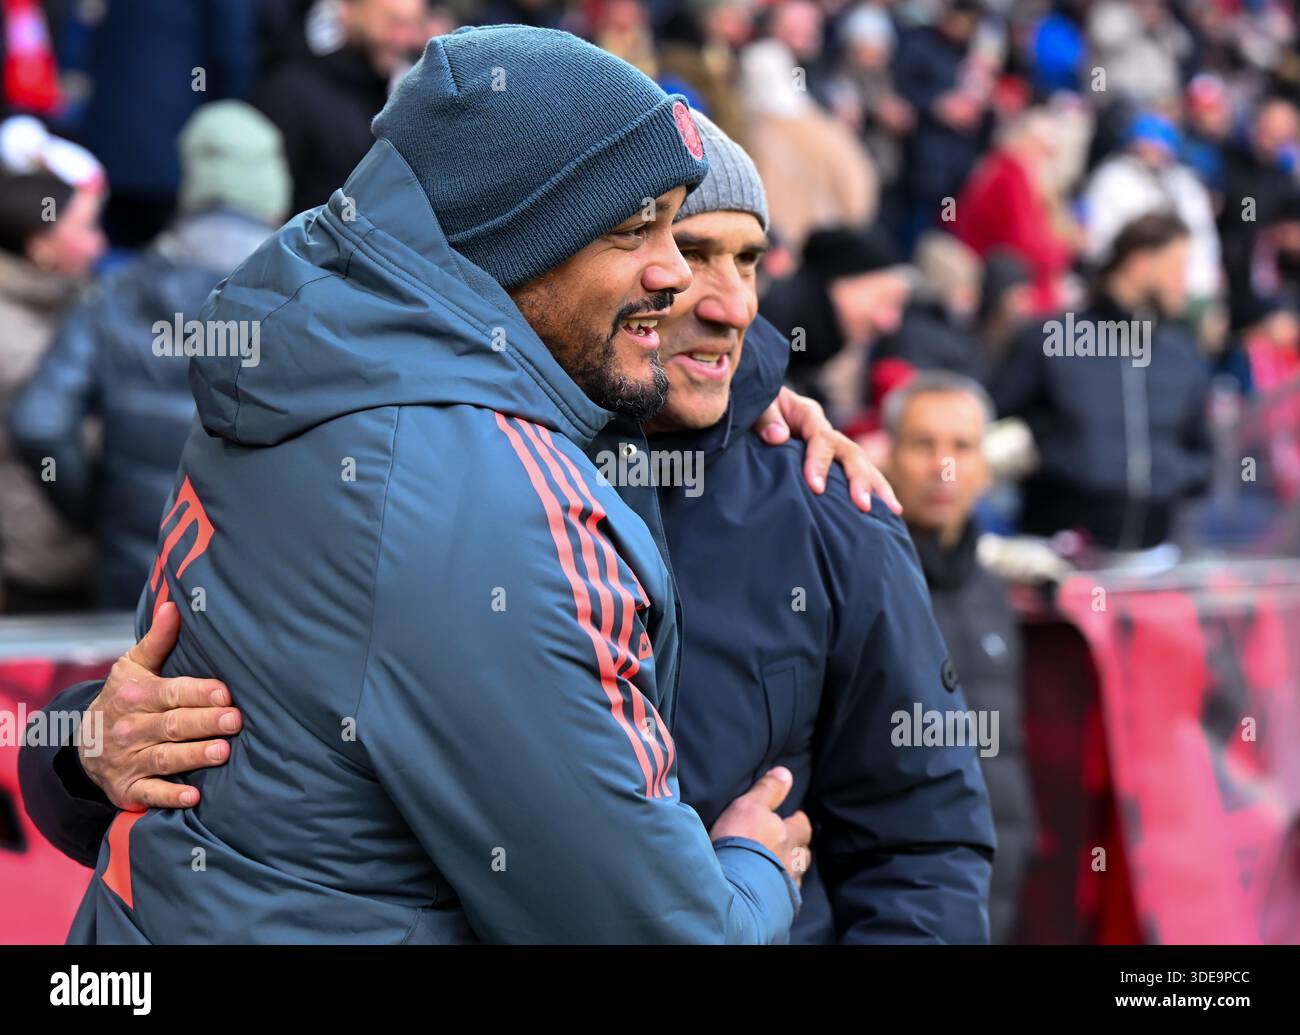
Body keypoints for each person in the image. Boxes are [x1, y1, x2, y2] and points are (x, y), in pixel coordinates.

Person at [23, 113, 996, 944]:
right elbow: (235, 756)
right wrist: (81, 751)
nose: (720, 297)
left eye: (747, 259)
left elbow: (924, 845)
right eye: (683, 251)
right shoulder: (411, 469)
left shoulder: (828, 503)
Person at [8, 102, 291, 608]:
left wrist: (99, 510)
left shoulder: (114, 296)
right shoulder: (307, 302)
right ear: (271, 190)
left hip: (136, 586)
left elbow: (39, 422)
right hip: (261, 590)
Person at [882, 371, 1036, 943]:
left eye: (962, 447)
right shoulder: (860, 583)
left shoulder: (996, 594)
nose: (943, 466)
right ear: (889, 455)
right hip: (896, 895)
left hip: (997, 882)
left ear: (984, 466)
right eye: (924, 444)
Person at [991, 211, 1213, 551]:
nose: (1185, 283)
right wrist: (1061, 464)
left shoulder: (1182, 354)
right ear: (1141, 263)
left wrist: (1163, 477)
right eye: (1177, 268)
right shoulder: (1048, 339)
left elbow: (1202, 455)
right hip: (1055, 552)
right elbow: (997, 429)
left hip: (1154, 557)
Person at [0, 169, 104, 612]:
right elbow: (64, 436)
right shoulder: (18, 339)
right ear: (41, 249)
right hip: (42, 558)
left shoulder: (69, 302)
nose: (100, 244)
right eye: (86, 228)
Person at [250, 0, 426, 215]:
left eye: (413, 25)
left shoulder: (396, 100)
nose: (403, 38)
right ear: (346, 10)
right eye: (392, 22)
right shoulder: (289, 93)